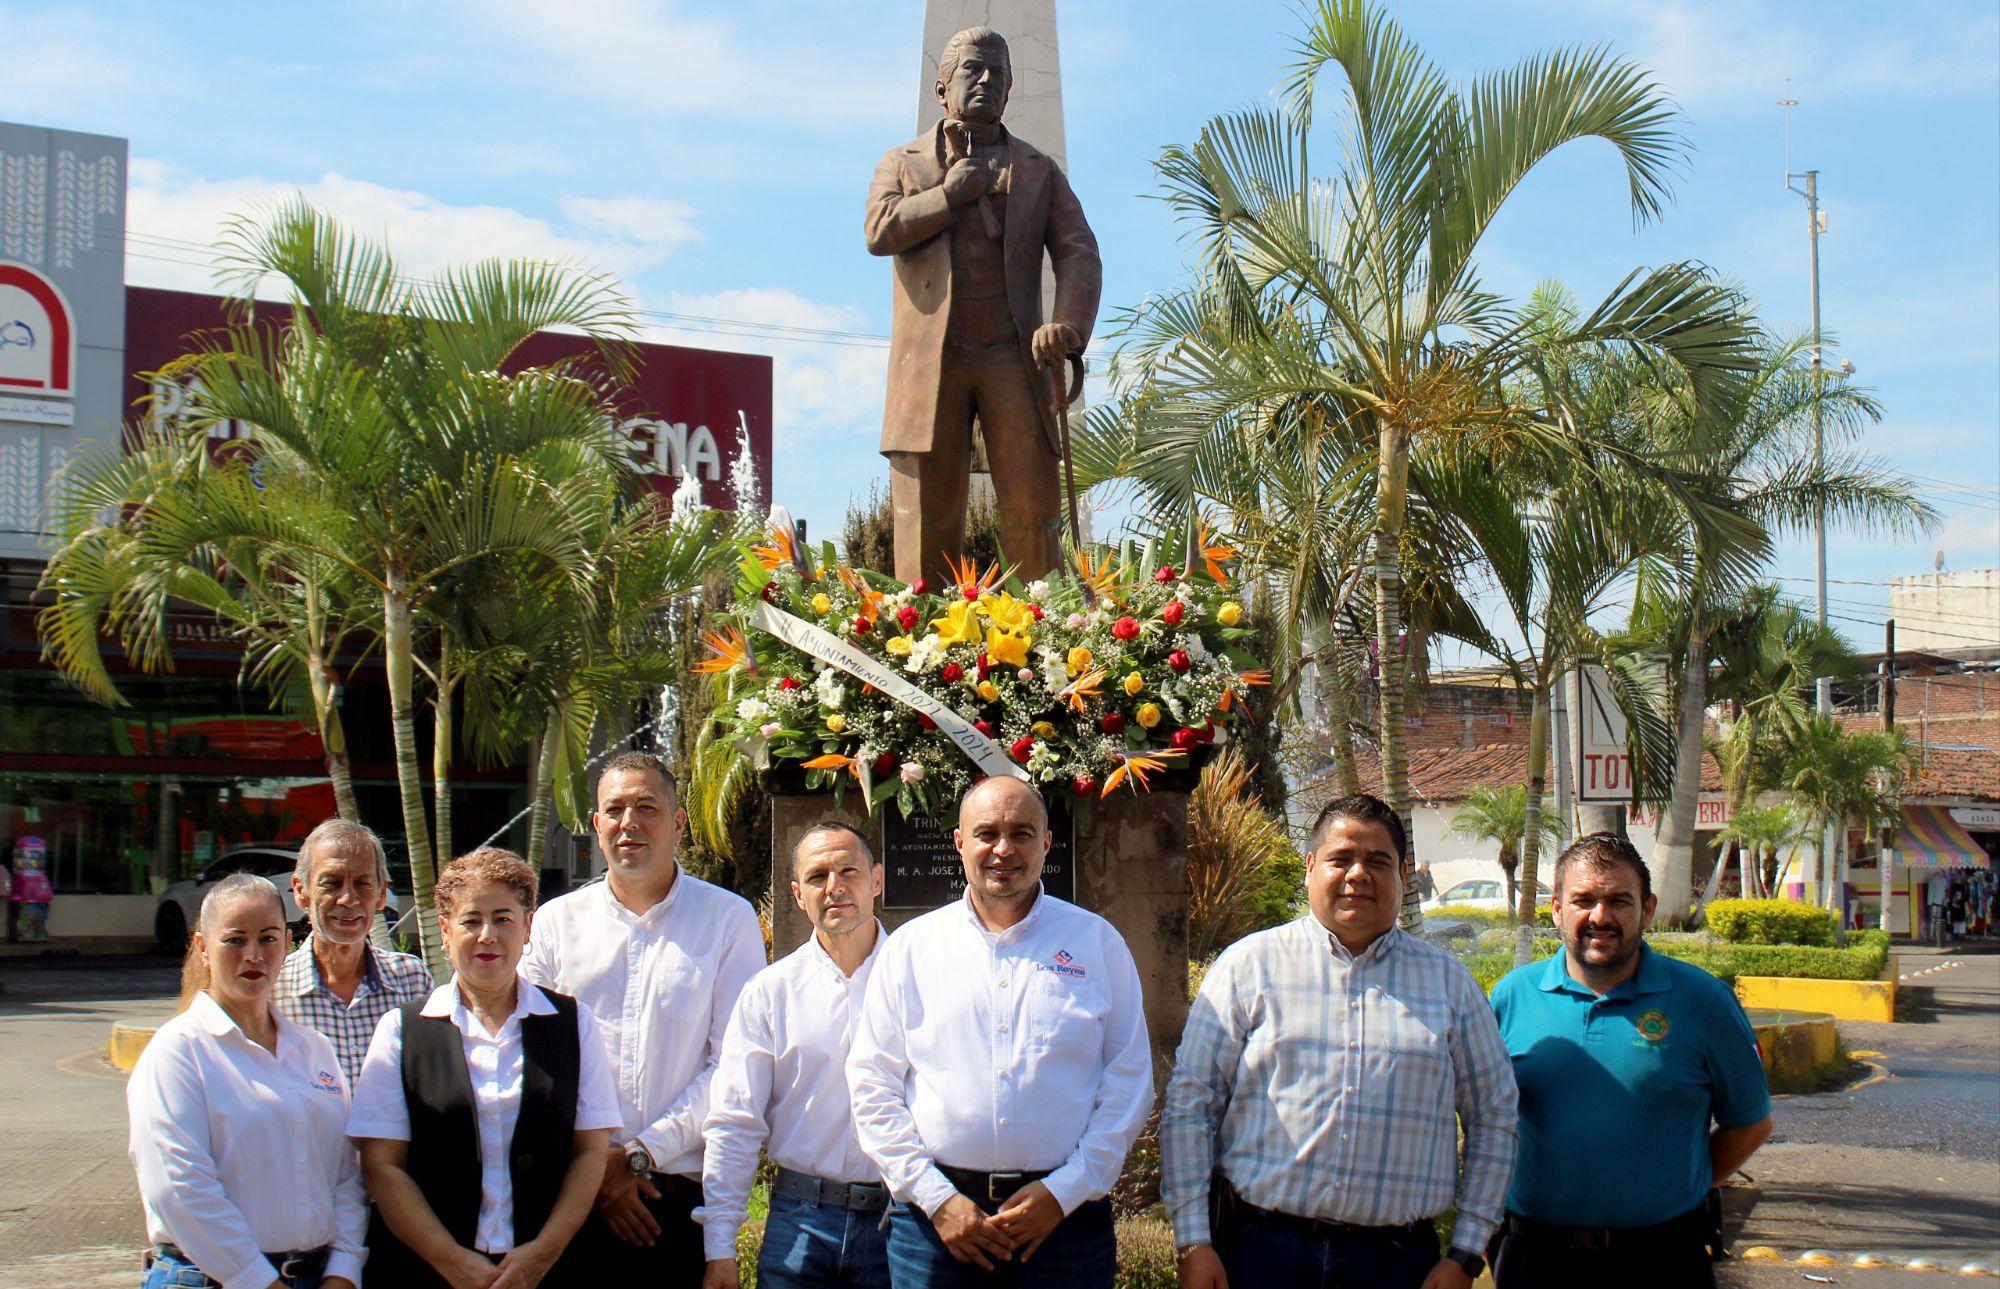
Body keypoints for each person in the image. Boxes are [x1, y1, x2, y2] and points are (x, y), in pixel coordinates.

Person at [1160, 794, 1516, 1289]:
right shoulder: (1248, 967)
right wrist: (1194, 1242)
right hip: (1261, 1253)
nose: (1358, 874)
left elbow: (1495, 1117)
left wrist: (1466, 1253)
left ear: (1403, 873)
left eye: (1377, 861)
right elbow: (1191, 1104)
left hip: (1398, 1264)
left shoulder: (1450, 984)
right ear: (1310, 867)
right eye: (1340, 858)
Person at [848, 776, 1151, 1287]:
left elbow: (1129, 1083)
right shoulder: (912, 949)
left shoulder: (1097, 944)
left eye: (1022, 833)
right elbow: (872, 1086)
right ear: (960, 843)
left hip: (1065, 1229)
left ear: (1047, 844)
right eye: (986, 833)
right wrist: (938, 1200)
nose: (1003, 849)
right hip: (936, 1228)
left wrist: (1065, 1191)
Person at [865, 25, 1102, 588]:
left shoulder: (1037, 169)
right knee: (927, 517)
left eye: (999, 72)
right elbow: (879, 230)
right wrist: (947, 197)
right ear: (943, 86)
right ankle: (920, 640)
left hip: (1012, 357)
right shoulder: (904, 162)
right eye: (973, 69)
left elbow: (1079, 252)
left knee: (1033, 511)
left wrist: (1067, 325)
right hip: (932, 364)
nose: (988, 80)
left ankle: (1041, 640)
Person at [1489, 832, 1773, 1289]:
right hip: (1534, 1259)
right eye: (1582, 900)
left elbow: (1751, 1121)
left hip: (1661, 1260)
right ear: (1557, 909)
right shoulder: (1512, 995)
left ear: (1648, 908)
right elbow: (1484, 1117)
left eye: (1619, 901)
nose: (1600, 916)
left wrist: (1686, 1187)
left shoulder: (1703, 1000)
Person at [521, 750, 766, 1279]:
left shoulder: (728, 920)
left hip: (673, 1196)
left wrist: (635, 1155)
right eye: (615, 809)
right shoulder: (554, 923)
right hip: (567, 1200)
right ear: (596, 825)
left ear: (678, 822)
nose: (629, 822)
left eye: (647, 807)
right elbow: (532, 1054)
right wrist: (593, 1167)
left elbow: (733, 1066)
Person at [350, 847, 621, 1287]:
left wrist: (542, 1253)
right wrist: (452, 1262)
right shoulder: (401, 1031)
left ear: (528, 926)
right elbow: (383, 1166)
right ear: (444, 930)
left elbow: (591, 1150)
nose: (487, 935)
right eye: (471, 921)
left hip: (549, 1270)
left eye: (503, 918)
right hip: (427, 1272)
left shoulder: (574, 1024)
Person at [127, 873, 366, 1289]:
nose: (253, 955)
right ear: (202, 947)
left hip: (314, 1277)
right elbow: (180, 1189)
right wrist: (257, 1280)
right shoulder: (177, 1052)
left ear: (288, 942)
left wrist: (343, 1270)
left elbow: (345, 1176)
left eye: (268, 938)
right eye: (235, 940)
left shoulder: (315, 1050)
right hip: (208, 1279)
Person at [699, 823, 892, 1288]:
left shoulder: (918, 979)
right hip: (800, 1222)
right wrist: (720, 1245)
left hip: (899, 1221)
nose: (835, 887)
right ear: (797, 894)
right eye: (817, 876)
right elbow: (734, 1120)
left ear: (878, 880)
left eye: (849, 870)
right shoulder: (770, 993)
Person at [277, 816, 432, 1084]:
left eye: (362, 883)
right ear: (301, 891)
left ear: (382, 893)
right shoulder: (273, 989)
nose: (348, 899)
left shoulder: (411, 982)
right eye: (331, 883)